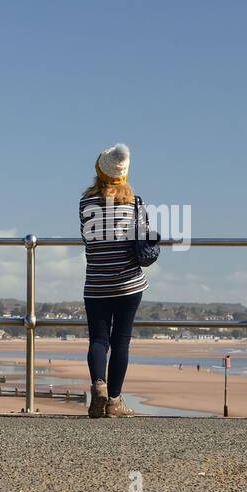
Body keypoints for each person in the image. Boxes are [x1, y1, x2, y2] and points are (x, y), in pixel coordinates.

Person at [80, 144, 146, 418]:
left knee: (98, 339)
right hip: (129, 283)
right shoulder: (134, 203)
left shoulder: (85, 203)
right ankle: (115, 402)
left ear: (99, 170)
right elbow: (143, 238)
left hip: (96, 283)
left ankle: (98, 386)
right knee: (121, 342)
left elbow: (87, 238)